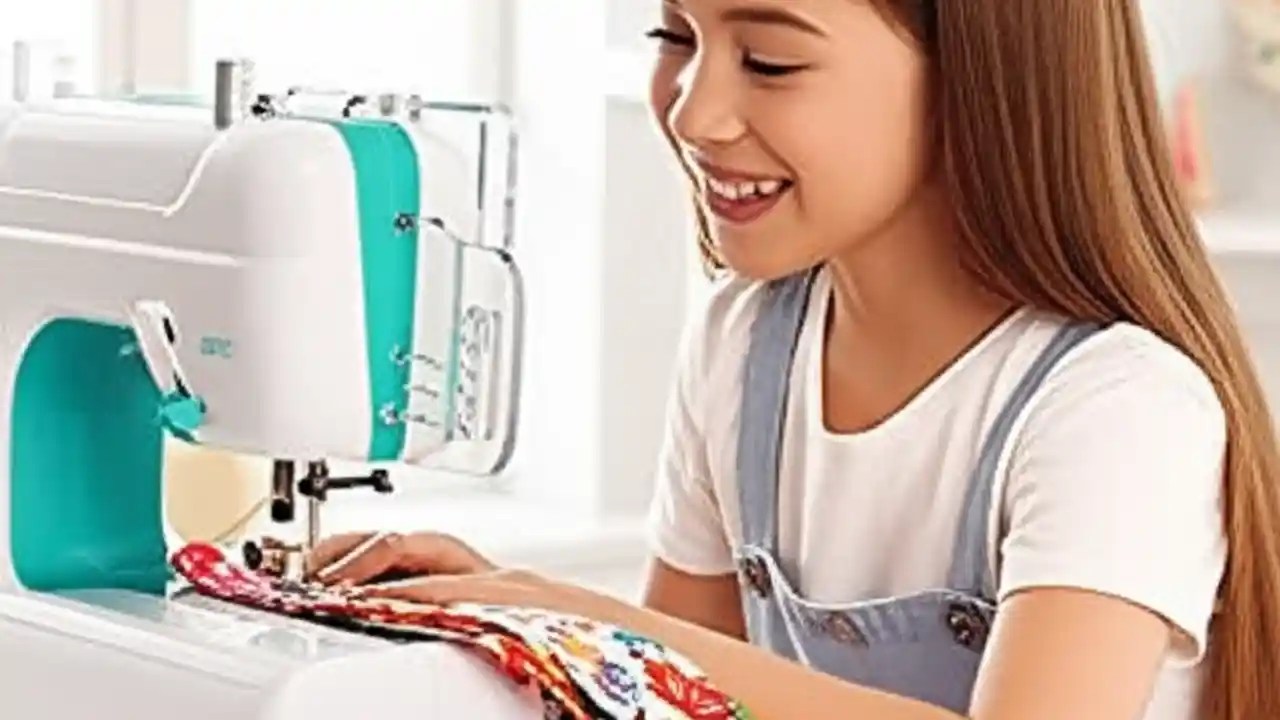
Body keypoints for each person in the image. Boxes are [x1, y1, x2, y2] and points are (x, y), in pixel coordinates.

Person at [306, 1, 1280, 718]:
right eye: (674, 37)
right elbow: (679, 698)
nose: (693, 112)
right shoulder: (740, 345)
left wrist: (577, 617)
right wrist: (519, 623)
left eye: (768, 61)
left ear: (978, 80)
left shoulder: (1117, 408)